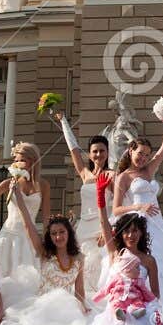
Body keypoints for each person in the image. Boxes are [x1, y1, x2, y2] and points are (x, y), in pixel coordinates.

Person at [0, 211, 90, 325]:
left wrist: (83, 305)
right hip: (43, 305)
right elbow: (29, 226)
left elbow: (79, 290)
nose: (58, 237)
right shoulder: (45, 253)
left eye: (62, 232)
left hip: (66, 308)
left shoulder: (79, 258)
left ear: (69, 233)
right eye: (54, 234)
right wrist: (20, 199)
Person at [79, 194, 163, 325]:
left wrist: (151, 309)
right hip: (116, 307)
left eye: (135, 230)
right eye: (126, 231)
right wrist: (100, 200)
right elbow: (104, 224)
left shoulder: (149, 260)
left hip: (139, 306)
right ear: (121, 234)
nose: (131, 235)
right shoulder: (115, 254)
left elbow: (155, 293)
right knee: (116, 320)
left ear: (141, 232)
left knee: (140, 320)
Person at [110, 110, 163, 301]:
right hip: (139, 222)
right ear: (131, 151)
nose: (143, 158)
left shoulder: (149, 170)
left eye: (146, 155)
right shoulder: (124, 176)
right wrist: (139, 208)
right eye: (140, 153)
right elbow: (116, 209)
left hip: (157, 223)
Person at [56, 111, 113, 287]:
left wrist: (110, 231)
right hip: (84, 227)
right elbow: (72, 147)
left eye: (102, 151)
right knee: (78, 264)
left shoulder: (112, 175)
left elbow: (118, 203)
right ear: (89, 154)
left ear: (108, 153)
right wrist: (63, 120)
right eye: (94, 151)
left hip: (101, 228)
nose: (98, 154)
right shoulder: (85, 174)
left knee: (97, 266)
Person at [0, 142, 47, 286]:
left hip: (31, 238)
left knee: (29, 282)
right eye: (15, 161)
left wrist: (47, 242)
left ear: (32, 160)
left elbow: (47, 218)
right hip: (8, 236)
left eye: (21, 160)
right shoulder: (9, 183)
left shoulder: (43, 185)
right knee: (2, 277)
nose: (17, 164)